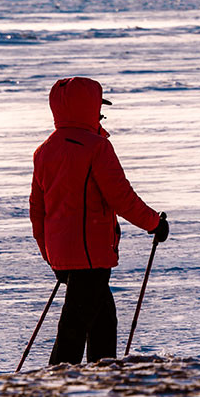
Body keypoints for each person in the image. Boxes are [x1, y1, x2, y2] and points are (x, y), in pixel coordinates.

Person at [29, 77, 169, 364]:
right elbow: (121, 197)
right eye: (98, 109)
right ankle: (58, 380)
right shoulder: (96, 148)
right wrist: (154, 223)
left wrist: (51, 257)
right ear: (87, 109)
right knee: (74, 326)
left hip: (64, 254)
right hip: (90, 254)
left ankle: (103, 372)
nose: (101, 115)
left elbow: (37, 210)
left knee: (102, 319)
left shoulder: (45, 150)